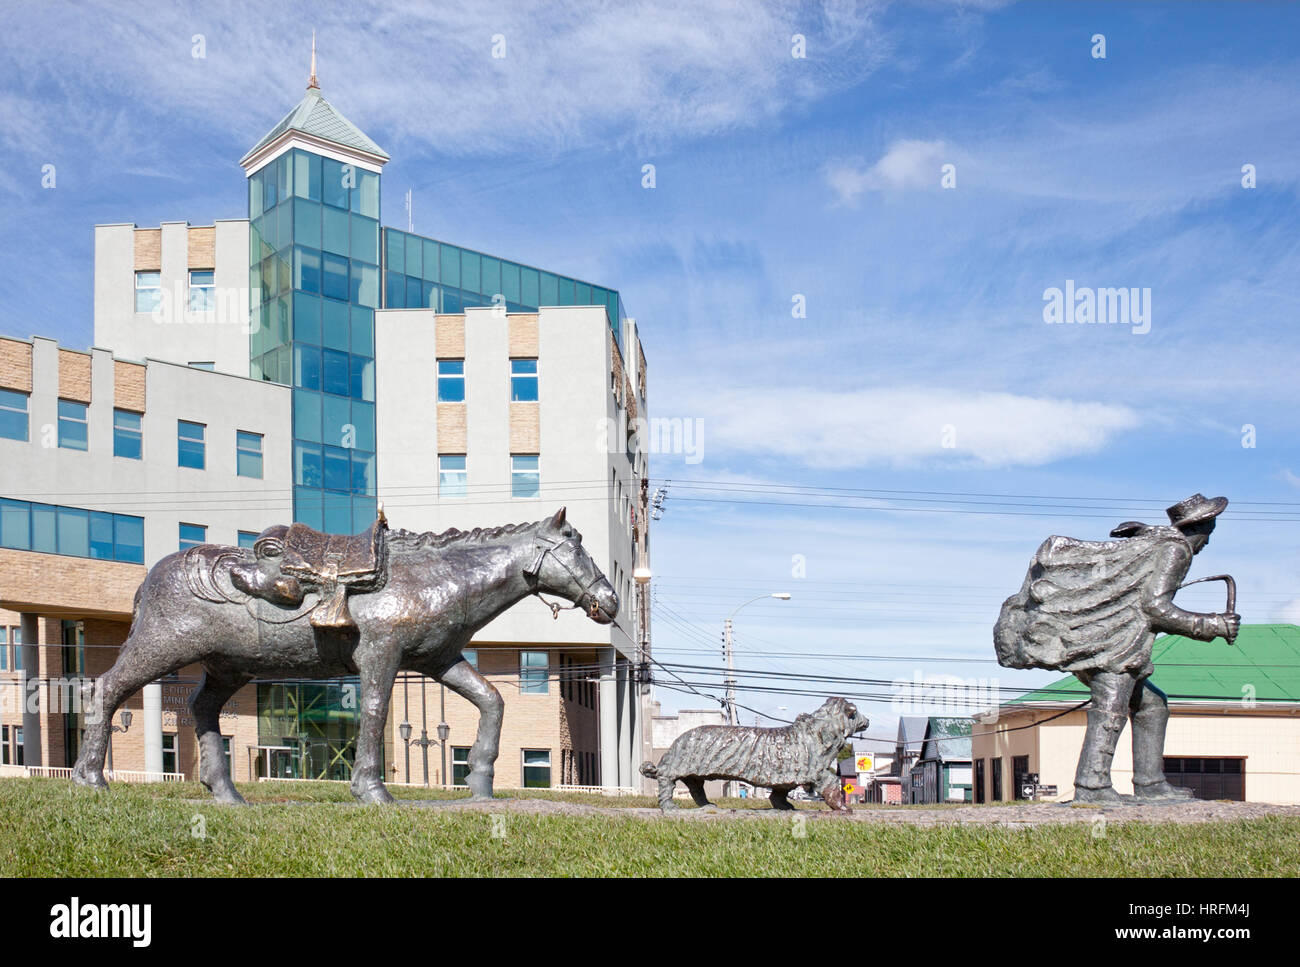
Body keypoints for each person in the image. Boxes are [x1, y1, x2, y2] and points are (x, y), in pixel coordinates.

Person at [995, 493, 1239, 803]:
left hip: (1102, 642)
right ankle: (1093, 786)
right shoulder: (1176, 550)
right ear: (1198, 527)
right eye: (1208, 531)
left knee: (1152, 706)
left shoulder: (1157, 542)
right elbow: (1155, 608)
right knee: (1111, 710)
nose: (1207, 541)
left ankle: (1150, 783)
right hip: (1117, 646)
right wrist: (1213, 624)